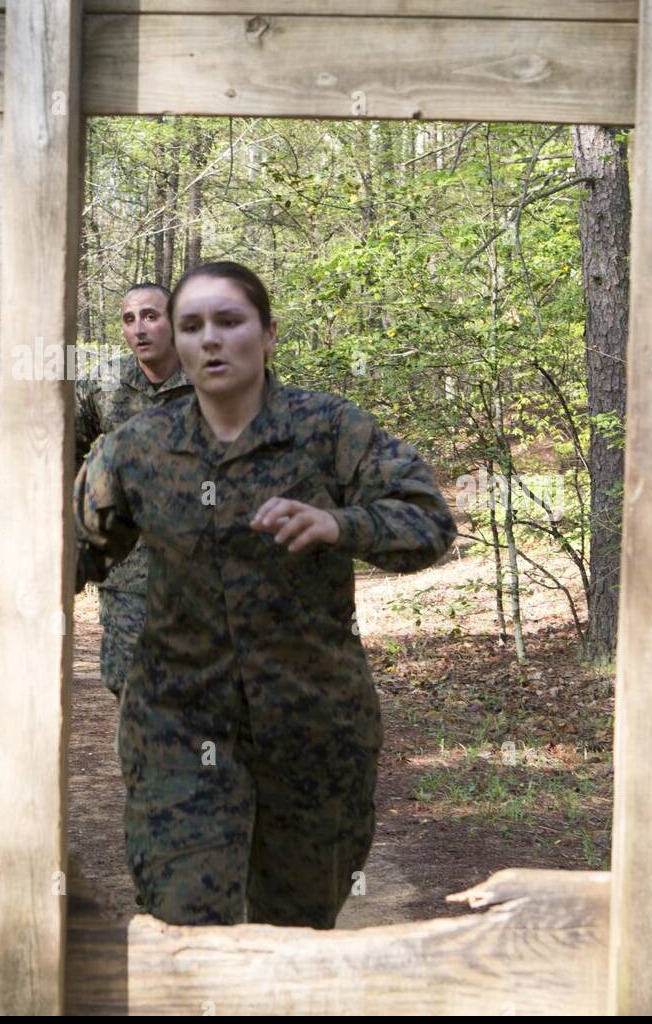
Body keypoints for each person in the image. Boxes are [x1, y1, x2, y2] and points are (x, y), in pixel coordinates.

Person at [73, 261, 456, 927]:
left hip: (313, 728)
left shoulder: (329, 430)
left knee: (296, 931)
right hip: (178, 726)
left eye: (229, 321)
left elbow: (429, 522)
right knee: (183, 925)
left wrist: (341, 523)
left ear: (268, 332)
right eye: (192, 326)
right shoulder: (136, 448)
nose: (209, 340)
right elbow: (71, 551)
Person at [75, 283, 194, 715]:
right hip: (128, 567)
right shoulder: (103, 384)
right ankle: (148, 773)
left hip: (205, 567)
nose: (139, 328)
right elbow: (61, 452)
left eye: (151, 316)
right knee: (125, 678)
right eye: (129, 319)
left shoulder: (210, 379)